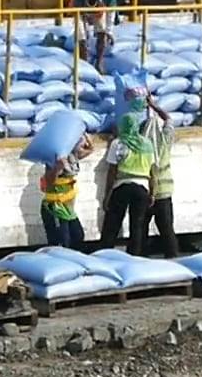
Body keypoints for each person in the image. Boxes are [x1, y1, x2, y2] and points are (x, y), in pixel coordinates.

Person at [98, 84, 156, 254]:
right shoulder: (147, 144)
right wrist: (152, 192)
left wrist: (107, 194)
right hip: (142, 188)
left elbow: (112, 171)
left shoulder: (118, 143)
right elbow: (152, 172)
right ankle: (134, 257)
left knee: (112, 223)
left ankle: (105, 253)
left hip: (123, 186)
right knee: (137, 226)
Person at [39, 135, 93, 248]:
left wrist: (89, 142)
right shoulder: (54, 158)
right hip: (55, 207)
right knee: (63, 241)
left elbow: (89, 151)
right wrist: (57, 169)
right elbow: (48, 181)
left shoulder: (72, 156)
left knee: (78, 236)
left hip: (67, 208)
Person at [138, 109, 179, 258]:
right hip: (165, 190)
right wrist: (154, 106)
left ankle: (142, 257)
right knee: (166, 228)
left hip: (148, 191)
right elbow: (168, 118)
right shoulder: (166, 140)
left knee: (142, 228)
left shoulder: (143, 147)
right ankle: (173, 257)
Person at [73, 0, 119, 69]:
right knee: (81, 37)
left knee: (102, 31)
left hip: (101, 8)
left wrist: (109, 31)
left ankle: (99, 62)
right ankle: (84, 64)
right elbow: (77, 13)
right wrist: (82, 36)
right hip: (82, 9)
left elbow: (111, 10)